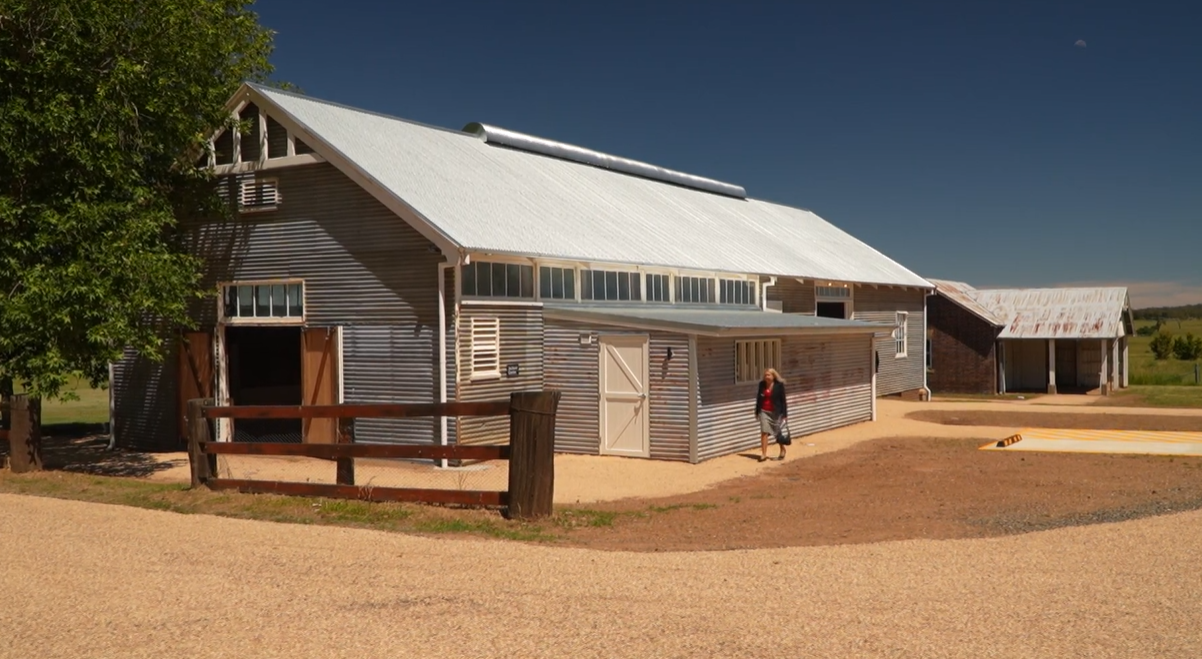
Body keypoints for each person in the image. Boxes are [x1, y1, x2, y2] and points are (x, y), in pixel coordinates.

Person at [754, 368, 788, 462]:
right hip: (764, 411)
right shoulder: (762, 384)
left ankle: (782, 449)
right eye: (765, 375)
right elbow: (759, 398)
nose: (766, 377)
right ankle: (764, 454)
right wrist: (757, 411)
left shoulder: (779, 385)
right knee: (764, 432)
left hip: (775, 412)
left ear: (773, 376)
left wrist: (784, 414)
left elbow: (783, 401)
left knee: (776, 432)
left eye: (768, 375)